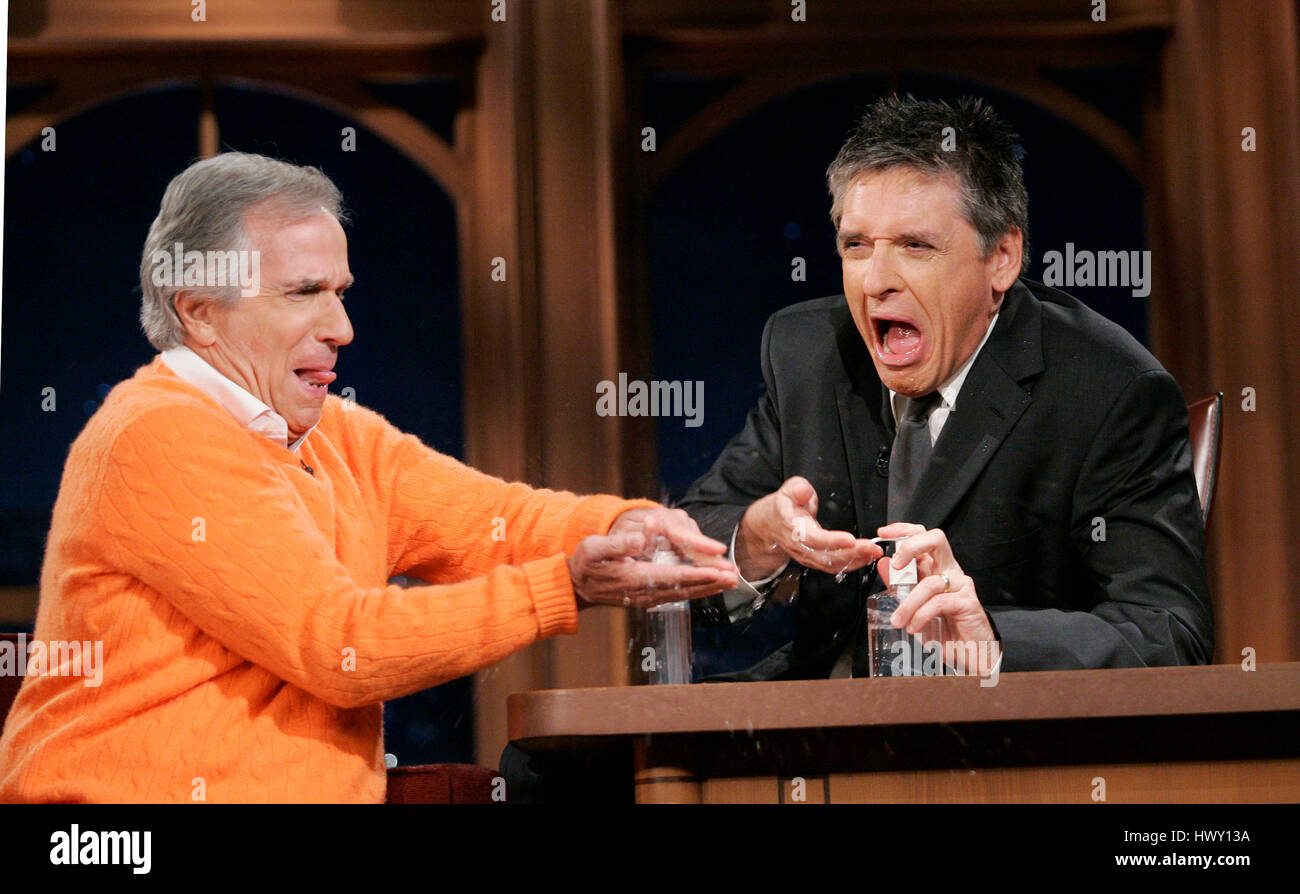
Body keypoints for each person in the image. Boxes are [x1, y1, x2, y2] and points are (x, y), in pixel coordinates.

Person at [0, 152, 737, 803]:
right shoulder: (156, 433)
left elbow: (499, 522)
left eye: (341, 292)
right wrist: (563, 587)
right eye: (303, 293)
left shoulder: (334, 431)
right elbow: (339, 646)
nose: (342, 327)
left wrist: (629, 527)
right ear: (199, 313)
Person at [681, 95, 1213, 681]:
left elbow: (1170, 633)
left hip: (1008, 741)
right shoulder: (810, 353)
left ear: (1002, 257)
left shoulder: (1109, 390)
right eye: (856, 246)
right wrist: (755, 538)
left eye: (916, 246)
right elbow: (681, 566)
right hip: (820, 717)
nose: (876, 281)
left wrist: (992, 637)